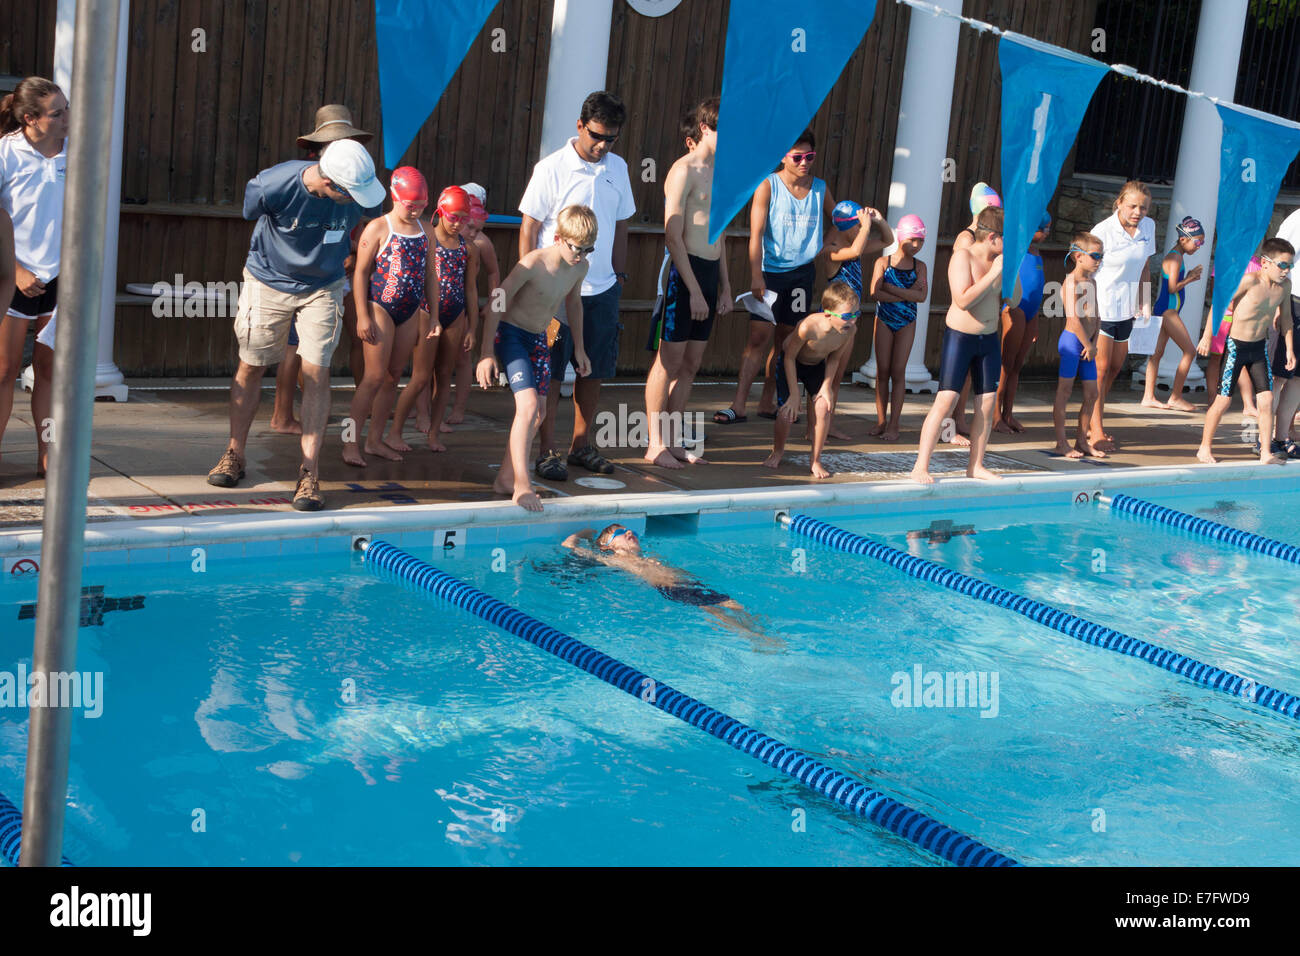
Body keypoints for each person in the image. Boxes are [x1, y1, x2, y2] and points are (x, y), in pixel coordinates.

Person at [206, 138, 385, 510]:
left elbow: (367, 221)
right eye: (350, 193)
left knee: (317, 372)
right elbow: (250, 213)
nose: (359, 200)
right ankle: (234, 453)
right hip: (268, 280)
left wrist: (350, 258)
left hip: (324, 286)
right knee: (251, 365)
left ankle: (309, 474)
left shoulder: (363, 190)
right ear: (331, 184)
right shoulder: (272, 185)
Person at [520, 91, 635, 481]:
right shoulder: (551, 168)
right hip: (554, 291)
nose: (603, 145)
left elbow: (621, 222)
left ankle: (581, 445)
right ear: (580, 126)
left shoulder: (617, 168)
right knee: (550, 371)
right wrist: (530, 279)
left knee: (594, 369)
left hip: (601, 289)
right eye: (597, 136)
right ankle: (547, 448)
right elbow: (531, 226)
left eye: (611, 139)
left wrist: (618, 275)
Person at [477, 204, 595, 512]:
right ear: (557, 238)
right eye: (576, 248)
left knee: (538, 414)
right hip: (511, 334)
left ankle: (505, 477)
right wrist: (486, 353)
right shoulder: (533, 263)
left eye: (587, 249)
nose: (581, 255)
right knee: (528, 407)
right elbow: (497, 300)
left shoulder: (580, 267)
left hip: (540, 338)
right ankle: (521, 484)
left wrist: (579, 349)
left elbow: (575, 306)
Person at [715, 129, 832, 425]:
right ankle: (738, 405)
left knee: (787, 342)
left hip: (802, 275)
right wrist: (756, 275)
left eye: (810, 157)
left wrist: (823, 245)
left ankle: (770, 401)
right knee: (758, 337)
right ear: (783, 157)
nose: (804, 162)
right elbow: (755, 235)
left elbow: (842, 219)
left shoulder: (820, 188)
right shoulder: (768, 185)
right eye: (798, 157)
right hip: (770, 273)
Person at [273, 105, 374, 434]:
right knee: (294, 348)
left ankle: (364, 406)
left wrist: (350, 253)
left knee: (361, 334)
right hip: (304, 273)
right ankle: (283, 415)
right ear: (319, 150)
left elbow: (350, 222)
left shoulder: (354, 177)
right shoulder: (307, 179)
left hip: (338, 268)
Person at [643, 96, 731, 469]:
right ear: (705, 129)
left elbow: (721, 232)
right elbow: (672, 236)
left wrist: (724, 285)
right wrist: (693, 288)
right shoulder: (684, 170)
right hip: (683, 273)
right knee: (669, 361)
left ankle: (675, 440)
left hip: (710, 272)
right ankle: (655, 443)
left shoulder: (722, 172)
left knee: (692, 364)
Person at [342, 166, 437, 467]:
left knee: (393, 377)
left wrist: (432, 316)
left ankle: (375, 441)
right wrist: (362, 315)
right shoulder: (378, 228)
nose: (416, 212)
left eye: (421, 206)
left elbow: (430, 276)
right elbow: (360, 273)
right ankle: (349, 444)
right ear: (396, 197)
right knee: (372, 377)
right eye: (411, 206)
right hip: (380, 306)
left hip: (409, 310)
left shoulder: (427, 230)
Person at [910, 207, 1010, 485]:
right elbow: (963, 299)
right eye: (1008, 239)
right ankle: (921, 465)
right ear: (992, 237)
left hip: (989, 339)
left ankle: (975, 465)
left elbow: (1013, 300)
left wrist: (1011, 275)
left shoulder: (1002, 261)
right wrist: (994, 275)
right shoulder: (962, 257)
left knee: (987, 405)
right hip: (961, 338)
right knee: (946, 400)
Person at [561, 524, 776, 650]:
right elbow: (569, 544)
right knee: (715, 611)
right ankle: (753, 639)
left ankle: (760, 630)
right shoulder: (615, 560)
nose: (629, 533)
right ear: (609, 546)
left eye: (631, 531)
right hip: (673, 589)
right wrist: (586, 533)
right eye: (621, 533)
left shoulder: (647, 556)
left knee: (735, 606)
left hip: (690, 584)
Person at [0, 77, 67, 476]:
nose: (67, 118)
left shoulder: (79, 155)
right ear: (31, 119)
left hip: (62, 281)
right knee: (4, 371)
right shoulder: (5, 154)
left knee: (49, 374)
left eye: (66, 108)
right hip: (12, 278)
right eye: (57, 113)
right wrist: (18, 270)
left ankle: (49, 455)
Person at [390, 185, 479, 450]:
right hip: (427, 312)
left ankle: (433, 435)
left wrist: (473, 327)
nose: (458, 224)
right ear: (440, 212)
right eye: (453, 217)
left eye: (464, 219)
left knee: (444, 376)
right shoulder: (426, 238)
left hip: (456, 313)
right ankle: (394, 432)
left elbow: (471, 290)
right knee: (420, 377)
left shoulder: (468, 248)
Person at [1196, 238, 1294, 465]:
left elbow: (1286, 319)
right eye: (1282, 265)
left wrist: (1289, 349)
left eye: (1290, 266)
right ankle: (1204, 447)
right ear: (1265, 263)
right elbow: (1220, 304)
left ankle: (1266, 452)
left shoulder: (1284, 287)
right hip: (1236, 346)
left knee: (1267, 399)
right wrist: (1207, 336)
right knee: (1222, 402)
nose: (1286, 271)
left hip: (1258, 348)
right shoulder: (1250, 281)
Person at [762, 281, 859, 479]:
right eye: (847, 316)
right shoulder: (809, 327)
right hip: (792, 362)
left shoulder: (850, 330)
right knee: (787, 411)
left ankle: (816, 460)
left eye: (856, 314)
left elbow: (834, 359)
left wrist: (826, 386)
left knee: (823, 408)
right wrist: (795, 395)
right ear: (828, 314)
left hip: (816, 366)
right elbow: (788, 357)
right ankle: (777, 451)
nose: (852, 321)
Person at [1090, 181, 1157, 451]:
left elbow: (1145, 265)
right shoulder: (1102, 231)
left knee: (1115, 368)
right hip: (1102, 307)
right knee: (1100, 370)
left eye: (1143, 207)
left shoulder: (1148, 227)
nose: (1138, 211)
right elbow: (1084, 271)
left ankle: (1089, 417)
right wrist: (1081, 312)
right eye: (1132, 206)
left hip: (1126, 311)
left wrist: (1145, 299)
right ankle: (1094, 429)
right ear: (1119, 203)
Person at [947, 182, 1003, 446]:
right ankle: (950, 427)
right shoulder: (966, 239)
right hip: (964, 322)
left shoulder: (986, 241)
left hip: (983, 324)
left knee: (968, 379)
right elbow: (962, 291)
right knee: (951, 386)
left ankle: (958, 421)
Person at [868, 213, 928, 442]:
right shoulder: (883, 262)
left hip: (907, 322)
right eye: (912, 239)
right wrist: (907, 293)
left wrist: (891, 289)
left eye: (921, 241)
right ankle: (882, 421)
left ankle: (895, 424)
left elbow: (921, 297)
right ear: (900, 237)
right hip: (884, 319)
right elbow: (875, 293)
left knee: (898, 371)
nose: (916, 245)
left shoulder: (919, 266)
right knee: (882, 371)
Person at [448, 183, 500, 425]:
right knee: (428, 363)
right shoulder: (442, 236)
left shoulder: (480, 242)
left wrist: (493, 303)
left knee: (462, 359)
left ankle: (458, 409)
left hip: (463, 306)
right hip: (439, 304)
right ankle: (422, 408)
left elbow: (494, 274)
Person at [1140, 216, 1203, 412]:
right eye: (1197, 241)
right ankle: (1175, 397)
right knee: (1190, 351)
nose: (1199, 246)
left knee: (1156, 354)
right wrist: (1190, 278)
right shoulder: (1175, 257)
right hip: (1168, 311)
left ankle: (1148, 397)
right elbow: (1173, 287)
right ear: (1184, 239)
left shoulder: (1177, 255)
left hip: (1165, 309)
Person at [995, 213, 1050, 433]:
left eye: (1048, 228)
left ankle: (1008, 414)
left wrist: (1035, 319)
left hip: (1030, 312)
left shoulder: (1037, 254)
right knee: (1005, 365)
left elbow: (1036, 291)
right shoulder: (1017, 251)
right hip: (1014, 310)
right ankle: (995, 415)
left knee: (1017, 366)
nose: (1047, 232)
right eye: (1042, 228)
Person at [1052, 233, 1105, 458]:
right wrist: (1088, 344)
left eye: (1101, 256)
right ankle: (1061, 442)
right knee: (1064, 392)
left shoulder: (1092, 281)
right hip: (1072, 343)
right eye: (1094, 256)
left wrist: (1094, 342)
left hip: (1088, 345)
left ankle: (1082, 440)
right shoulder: (1070, 282)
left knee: (1092, 393)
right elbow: (1073, 319)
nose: (1098, 260)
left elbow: (1097, 317)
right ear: (1078, 256)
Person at [1269, 208, 1300, 456]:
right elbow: (1278, 258)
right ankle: (1265, 436)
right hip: (1294, 302)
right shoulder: (1297, 219)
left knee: (1298, 379)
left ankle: (1282, 437)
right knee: (1279, 376)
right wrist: (1279, 303)